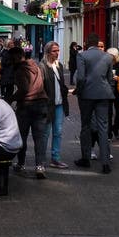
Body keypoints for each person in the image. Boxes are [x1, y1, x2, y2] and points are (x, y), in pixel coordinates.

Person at [74, 33, 114, 173]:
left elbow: (80, 77)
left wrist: (78, 90)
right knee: (103, 127)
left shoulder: (82, 56)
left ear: (86, 43)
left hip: (87, 95)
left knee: (86, 126)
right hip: (103, 94)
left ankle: (86, 158)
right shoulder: (108, 57)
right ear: (98, 43)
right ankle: (105, 162)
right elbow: (110, 79)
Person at [10, 46, 49, 178]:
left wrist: (10, 98)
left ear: (16, 57)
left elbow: (24, 89)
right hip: (42, 104)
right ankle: (40, 166)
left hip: (26, 106)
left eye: (11, 58)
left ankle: (21, 164)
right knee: (40, 138)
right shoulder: (36, 66)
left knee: (22, 137)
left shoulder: (20, 70)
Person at [39, 41, 69, 169]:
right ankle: (40, 160)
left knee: (58, 132)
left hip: (59, 104)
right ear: (47, 52)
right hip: (48, 105)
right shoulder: (42, 67)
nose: (57, 53)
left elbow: (60, 84)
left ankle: (55, 158)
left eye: (58, 50)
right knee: (45, 133)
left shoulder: (59, 66)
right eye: (54, 51)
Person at [106, 48, 119, 140]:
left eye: (113, 56)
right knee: (108, 113)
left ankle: (115, 128)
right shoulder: (105, 65)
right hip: (108, 91)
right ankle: (109, 133)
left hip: (118, 92)